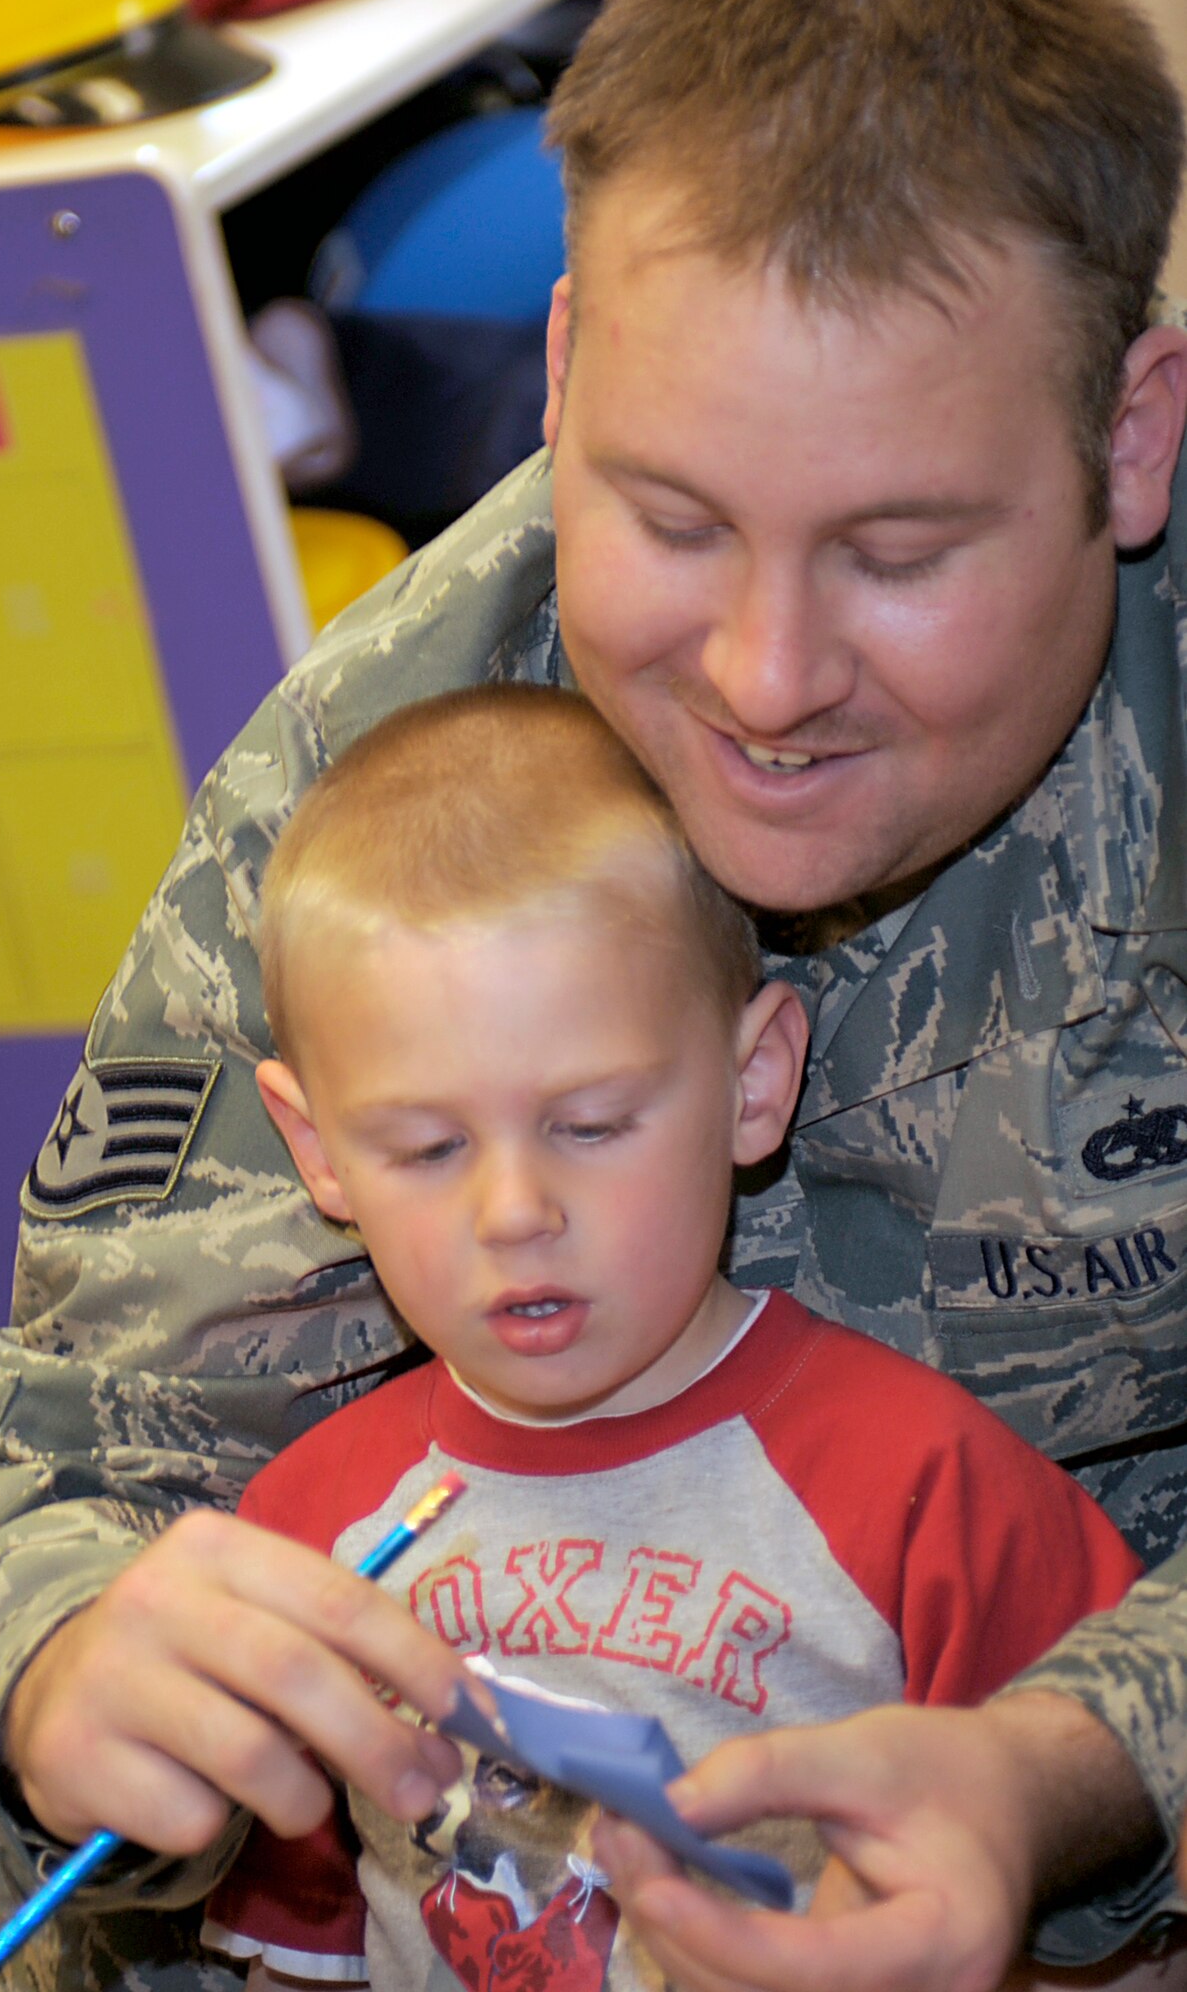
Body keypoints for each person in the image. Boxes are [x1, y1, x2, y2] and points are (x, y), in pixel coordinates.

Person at [0, 0, 1187, 1987]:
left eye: (899, 550)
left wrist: (1066, 1770)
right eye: (666, 518)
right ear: (562, 372)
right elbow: (36, 1491)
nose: (762, 676)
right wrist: (59, 1670)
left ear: (1133, 435)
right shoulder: (387, 767)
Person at [194, 683, 1139, 1992]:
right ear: (318, 1151)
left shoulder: (926, 1485)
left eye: (591, 1125)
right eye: (425, 1146)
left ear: (752, 1084)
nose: (515, 1211)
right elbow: (300, 1942)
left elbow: (1123, 1871)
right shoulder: (299, 1537)